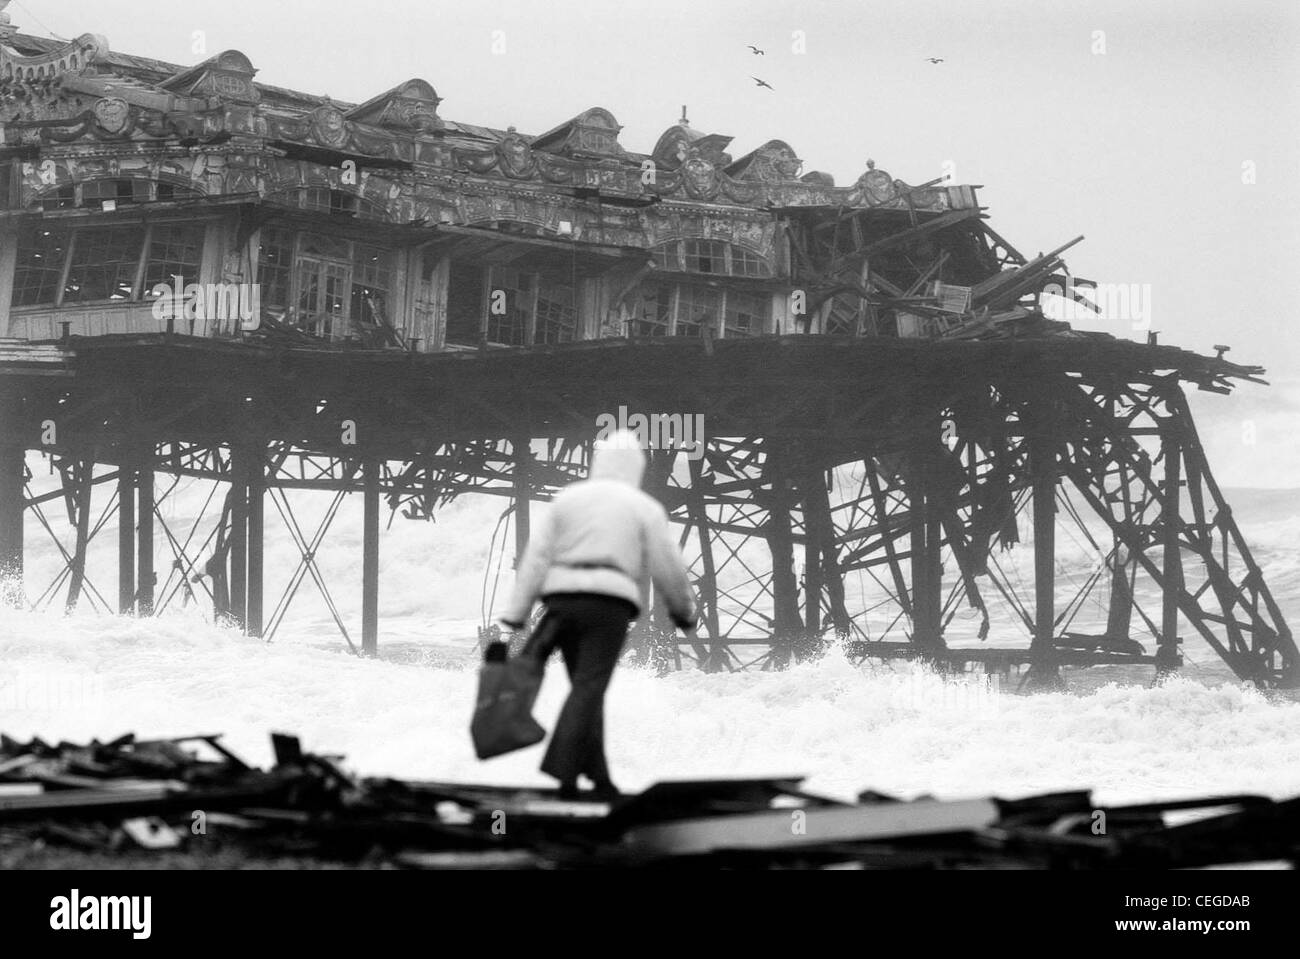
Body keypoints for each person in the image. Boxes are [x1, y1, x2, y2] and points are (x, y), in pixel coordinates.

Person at [499, 429, 697, 800]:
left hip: (561, 603)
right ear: (636, 468)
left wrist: (516, 613)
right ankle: (565, 773)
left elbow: (536, 558)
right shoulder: (643, 507)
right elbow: (667, 565)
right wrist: (683, 612)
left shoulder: (567, 500)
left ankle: (598, 777)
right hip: (608, 608)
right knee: (590, 688)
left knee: (585, 690)